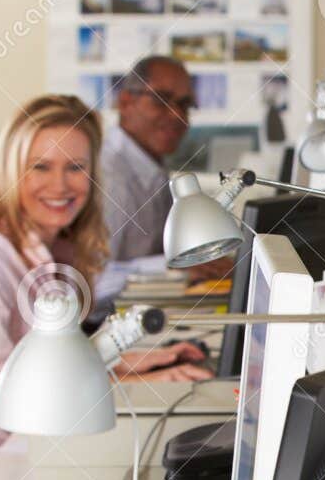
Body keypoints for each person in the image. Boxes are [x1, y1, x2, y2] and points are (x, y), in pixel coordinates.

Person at [0, 94, 211, 469]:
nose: (60, 186)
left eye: (76, 167)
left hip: (37, 450)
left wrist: (134, 362)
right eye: (41, 167)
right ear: (12, 169)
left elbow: (51, 366)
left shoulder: (57, 247)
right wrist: (134, 387)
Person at [96, 55, 228, 301]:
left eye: (185, 104)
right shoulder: (109, 177)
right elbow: (92, 282)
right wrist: (171, 267)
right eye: (161, 100)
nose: (177, 115)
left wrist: (201, 257)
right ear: (125, 102)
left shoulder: (152, 165)